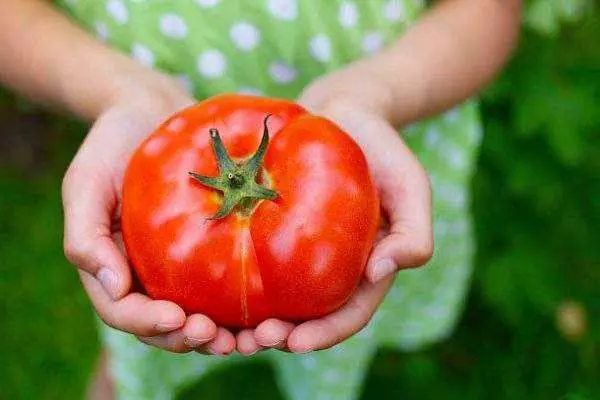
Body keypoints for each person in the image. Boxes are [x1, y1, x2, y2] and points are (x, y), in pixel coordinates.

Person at [0, 0, 522, 398]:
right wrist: (114, 90)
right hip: (153, 142)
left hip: (371, 150)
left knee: (341, 305)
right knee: (150, 327)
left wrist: (380, 93)